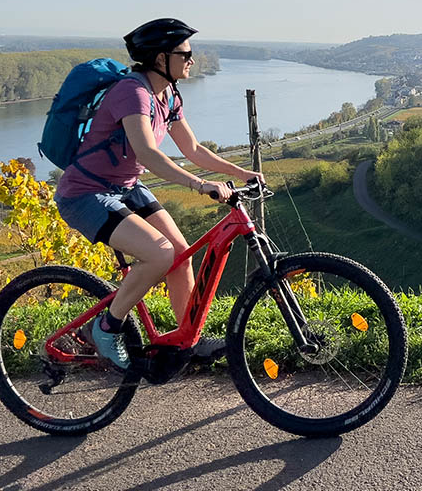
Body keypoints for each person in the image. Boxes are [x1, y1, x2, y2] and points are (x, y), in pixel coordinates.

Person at [54, 18, 265, 369]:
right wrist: (201, 185)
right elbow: (148, 154)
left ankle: (187, 342)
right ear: (160, 58)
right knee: (159, 255)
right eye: (186, 53)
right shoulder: (131, 93)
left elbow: (194, 149)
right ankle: (105, 328)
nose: (192, 60)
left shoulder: (167, 95)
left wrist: (240, 173)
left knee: (180, 254)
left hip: (125, 187)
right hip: (85, 193)